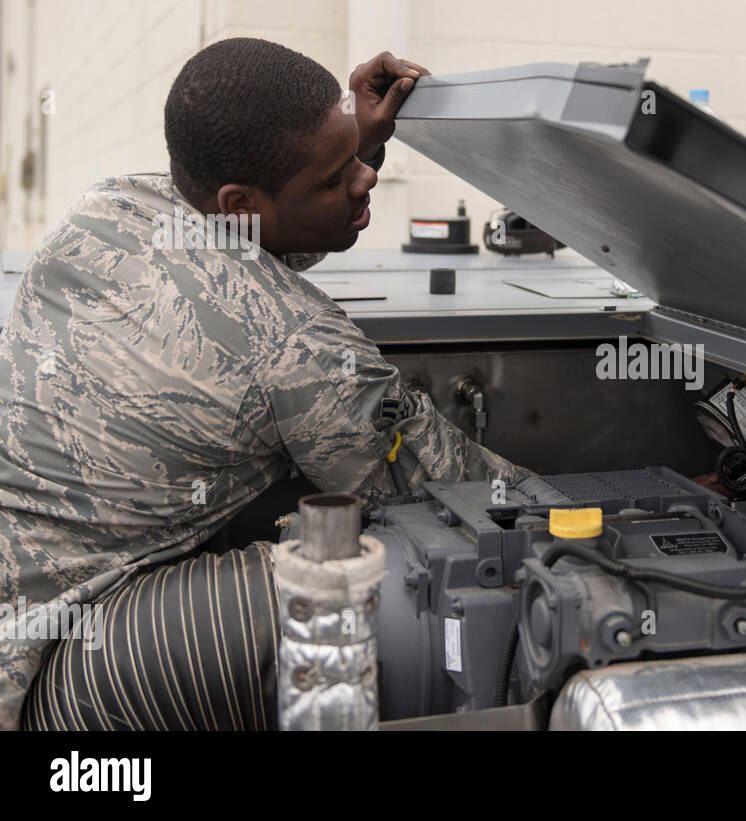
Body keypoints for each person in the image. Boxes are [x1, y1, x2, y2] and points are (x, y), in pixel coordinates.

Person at [0, 38, 532, 730]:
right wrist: (647, 514)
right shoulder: (301, 351)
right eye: (336, 176)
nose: (365, 182)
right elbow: (471, 495)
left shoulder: (109, 209)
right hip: (59, 685)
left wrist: (352, 149)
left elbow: (247, 257)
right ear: (240, 201)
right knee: (342, 575)